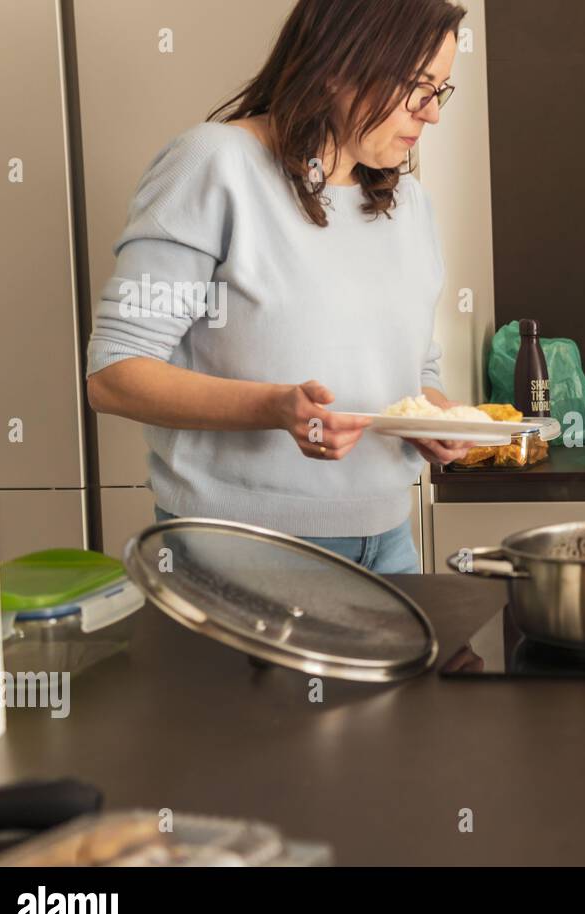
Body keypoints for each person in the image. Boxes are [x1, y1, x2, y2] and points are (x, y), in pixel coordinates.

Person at [85, 0, 472, 574]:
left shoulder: (408, 203)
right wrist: (276, 407)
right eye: (418, 87)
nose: (432, 113)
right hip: (238, 550)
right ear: (340, 66)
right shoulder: (216, 164)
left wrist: (438, 418)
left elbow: (416, 368)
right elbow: (115, 375)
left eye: (439, 90)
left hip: (390, 544)